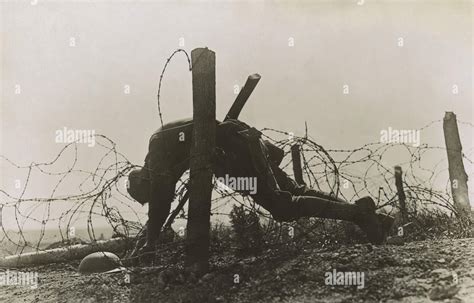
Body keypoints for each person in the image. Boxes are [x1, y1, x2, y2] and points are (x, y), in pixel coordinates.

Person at [127, 118, 393, 255]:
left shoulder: (158, 150)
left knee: (283, 207)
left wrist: (150, 242)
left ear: (142, 180)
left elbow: (161, 201)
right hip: (242, 148)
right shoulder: (161, 155)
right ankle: (372, 217)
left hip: (237, 155)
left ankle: (359, 214)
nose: (153, 198)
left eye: (146, 195)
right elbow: (163, 197)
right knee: (294, 193)